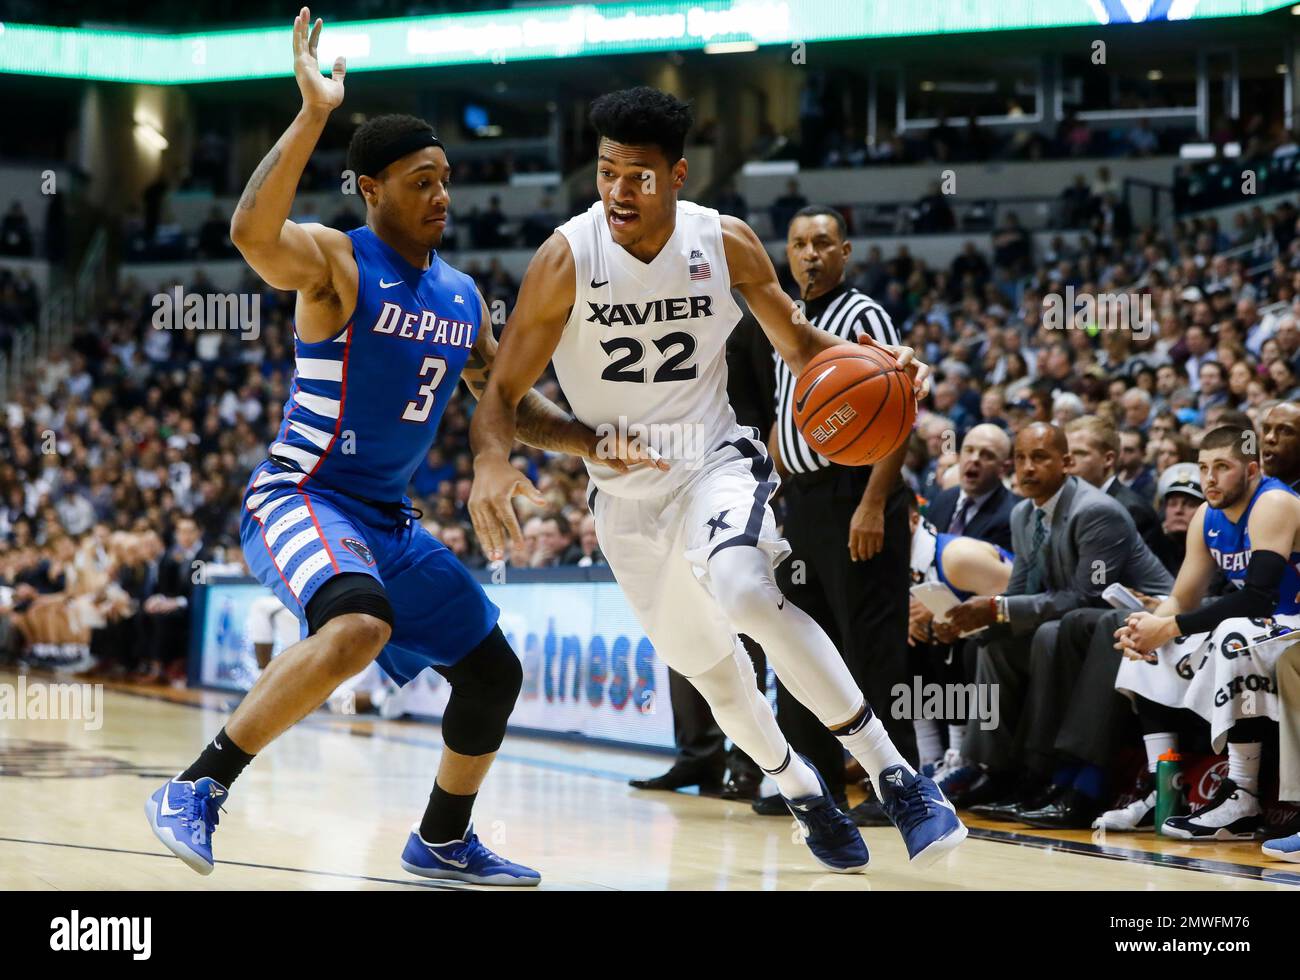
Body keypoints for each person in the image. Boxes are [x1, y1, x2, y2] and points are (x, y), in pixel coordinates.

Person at [144, 10, 645, 887]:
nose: (442, 196)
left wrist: (594, 440)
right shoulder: (337, 262)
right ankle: (196, 789)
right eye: (421, 182)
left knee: (492, 672)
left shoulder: (457, 293)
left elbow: (506, 404)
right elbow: (251, 237)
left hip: (386, 520)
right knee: (360, 625)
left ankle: (442, 839)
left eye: (446, 180)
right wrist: (310, 113)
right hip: (301, 497)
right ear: (369, 188)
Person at [468, 85, 965, 872]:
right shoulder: (567, 256)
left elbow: (801, 348)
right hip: (622, 500)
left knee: (743, 589)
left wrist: (882, 368)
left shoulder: (724, 241)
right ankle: (802, 791)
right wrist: (492, 460)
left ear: (678, 175)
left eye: (638, 175)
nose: (618, 192)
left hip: (712, 460)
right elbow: (502, 394)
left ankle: (897, 777)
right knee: (712, 672)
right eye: (606, 173)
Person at [749, 204, 915, 826]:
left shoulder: (864, 314)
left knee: (873, 648)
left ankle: (892, 787)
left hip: (858, 496)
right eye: (797, 244)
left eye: (823, 243)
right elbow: (784, 419)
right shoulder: (783, 322)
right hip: (805, 503)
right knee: (801, 643)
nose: (810, 254)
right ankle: (811, 786)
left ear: (845, 252)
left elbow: (898, 404)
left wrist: (874, 502)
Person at [937, 422, 1173, 815]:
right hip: (1077, 623)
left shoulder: (1095, 511)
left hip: (1141, 620)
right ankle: (998, 771)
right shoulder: (1023, 515)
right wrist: (970, 619)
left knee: (1048, 632)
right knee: (992, 643)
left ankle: (1055, 773)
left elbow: (1087, 594)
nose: (1028, 468)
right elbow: (1020, 590)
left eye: (1040, 458)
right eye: (1022, 459)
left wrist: (997, 607)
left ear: (1065, 463)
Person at [1111, 424, 1300, 841]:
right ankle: (1163, 789)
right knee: (1147, 652)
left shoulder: (1274, 502)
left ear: (1251, 470)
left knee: (1233, 632)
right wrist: (1147, 628)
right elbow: (1182, 600)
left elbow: (1259, 599)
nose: (1210, 479)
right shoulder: (1206, 516)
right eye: (1203, 468)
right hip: (1268, 627)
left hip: (1291, 621)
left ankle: (1243, 795)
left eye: (1222, 467)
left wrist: (1169, 625)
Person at [1064, 416, 1160, 548]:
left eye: (1080, 453)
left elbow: (1101, 567)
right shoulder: (1066, 502)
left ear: (1108, 459)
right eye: (1066, 454)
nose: (1068, 461)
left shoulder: (1132, 511)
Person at [924, 423, 1018, 552]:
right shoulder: (943, 498)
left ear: (1004, 468)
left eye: (987, 455)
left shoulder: (1014, 514)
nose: (974, 459)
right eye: (969, 450)